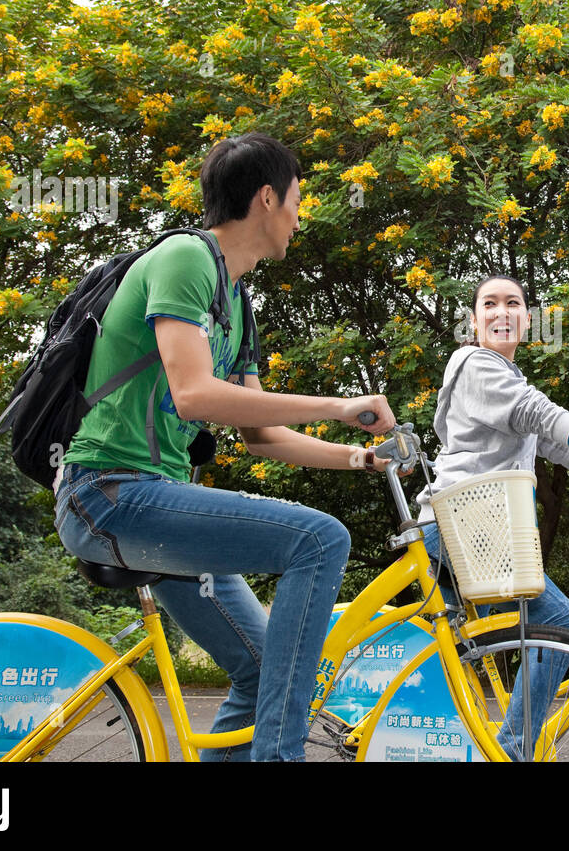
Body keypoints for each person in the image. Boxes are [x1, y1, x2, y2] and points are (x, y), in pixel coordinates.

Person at [54, 133, 397, 762]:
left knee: (265, 664)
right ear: (267, 198)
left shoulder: (236, 301)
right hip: (106, 492)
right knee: (320, 540)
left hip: (157, 498)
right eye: (297, 199)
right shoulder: (186, 257)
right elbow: (193, 394)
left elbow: (261, 436)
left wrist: (359, 457)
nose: (300, 215)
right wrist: (339, 406)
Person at [414, 274, 569, 759]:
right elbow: (541, 415)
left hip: (472, 528)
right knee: (561, 620)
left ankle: (504, 741)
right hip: (461, 525)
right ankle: (515, 748)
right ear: (473, 321)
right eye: (490, 304)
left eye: (514, 304)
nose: (502, 312)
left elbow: (557, 445)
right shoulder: (475, 364)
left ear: (527, 319)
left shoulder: (505, 381)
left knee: (467, 649)